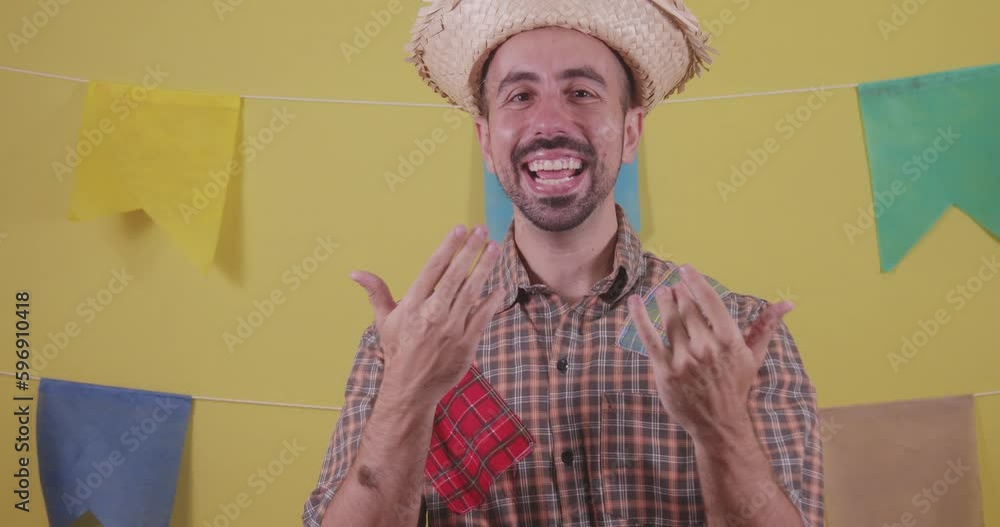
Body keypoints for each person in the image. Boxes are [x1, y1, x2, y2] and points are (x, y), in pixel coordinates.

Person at [303, 1, 824, 525]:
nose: (550, 122)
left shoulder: (736, 337)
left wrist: (722, 429)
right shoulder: (406, 342)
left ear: (630, 132)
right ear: (486, 141)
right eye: (520, 96)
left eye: (582, 93)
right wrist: (406, 396)